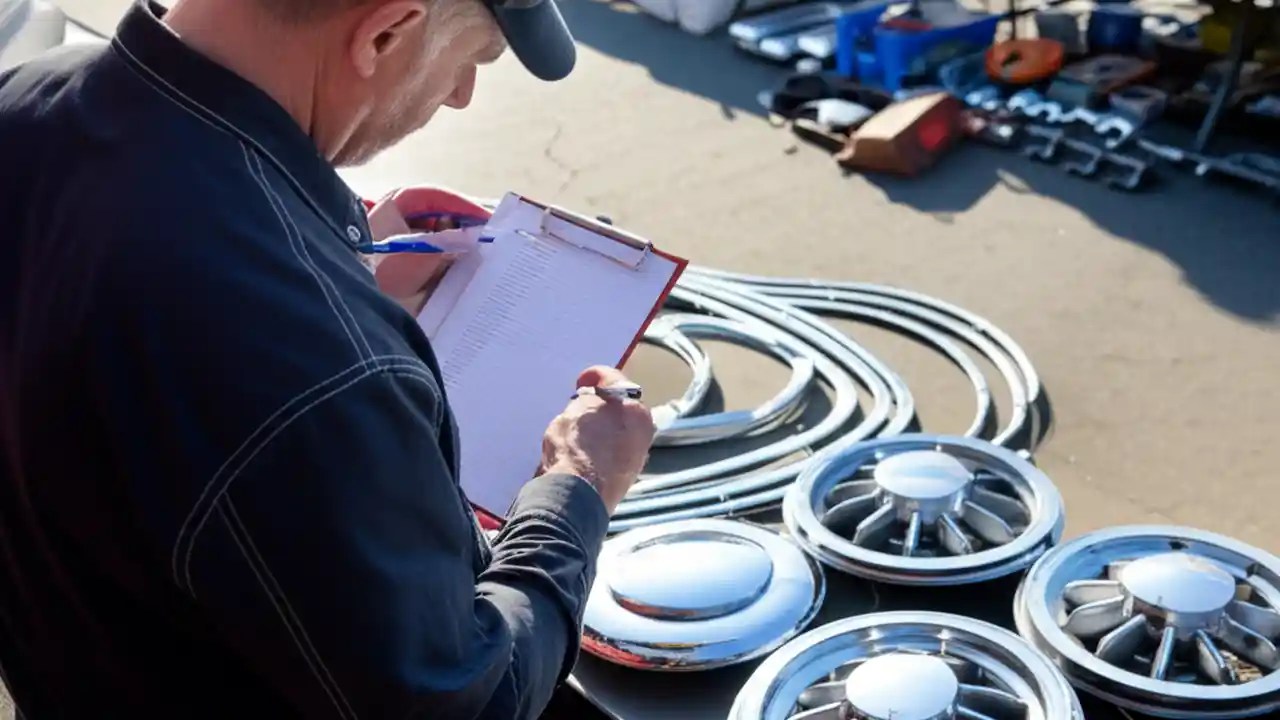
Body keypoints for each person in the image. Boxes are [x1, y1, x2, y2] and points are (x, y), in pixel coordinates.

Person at [0, 0, 655, 718]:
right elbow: (465, 699)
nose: (462, 93)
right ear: (384, 32)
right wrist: (577, 488)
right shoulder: (318, 367)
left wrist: (331, 259)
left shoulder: (26, 105)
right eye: (474, 58)